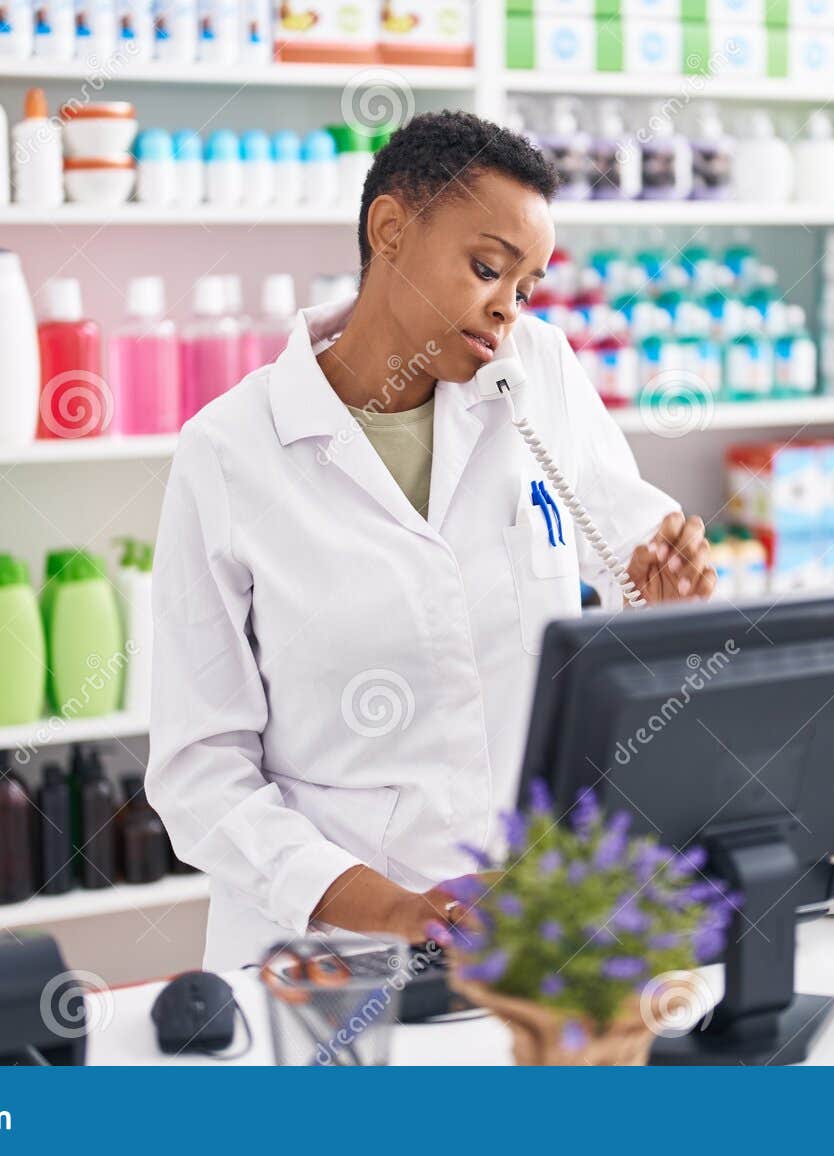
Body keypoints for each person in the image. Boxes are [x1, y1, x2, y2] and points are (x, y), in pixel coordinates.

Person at [147, 110, 716, 971]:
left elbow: (625, 544)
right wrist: (396, 908)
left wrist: (667, 593)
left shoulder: (538, 377)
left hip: (524, 922)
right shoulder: (229, 453)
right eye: (487, 267)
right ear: (391, 229)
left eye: (525, 288)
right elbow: (200, 772)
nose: (507, 310)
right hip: (327, 951)